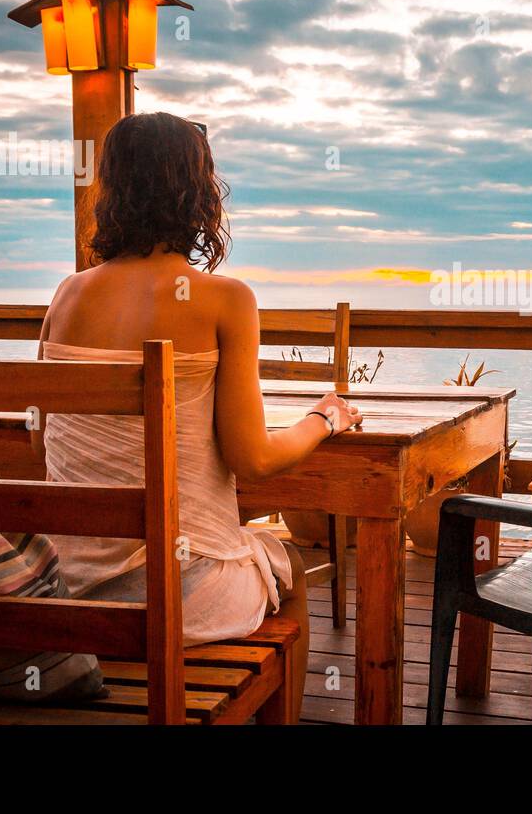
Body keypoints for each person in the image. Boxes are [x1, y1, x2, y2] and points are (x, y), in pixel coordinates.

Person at [33, 111, 361, 718]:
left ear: (111, 191)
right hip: (179, 596)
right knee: (286, 565)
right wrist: (326, 418)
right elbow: (253, 460)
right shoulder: (224, 300)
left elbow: (47, 442)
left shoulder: (67, 295)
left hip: (69, 591)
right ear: (198, 192)